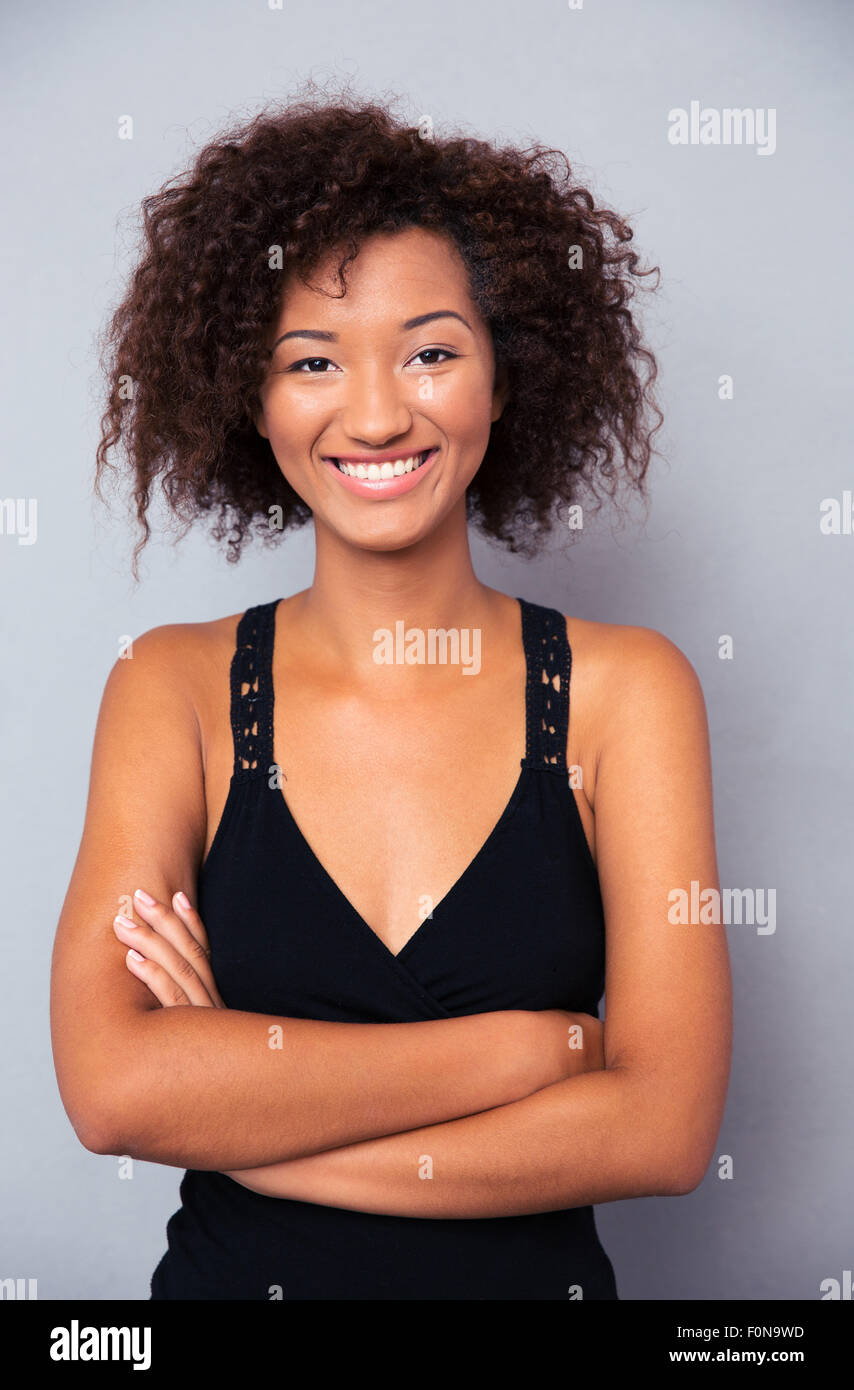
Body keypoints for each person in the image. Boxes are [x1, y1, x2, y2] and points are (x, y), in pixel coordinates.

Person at [49, 91, 732, 1300]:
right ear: (248, 401)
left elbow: (664, 1133)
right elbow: (114, 1092)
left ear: (502, 381)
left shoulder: (627, 694)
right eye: (310, 361)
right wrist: (529, 1051)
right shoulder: (173, 686)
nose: (373, 412)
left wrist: (254, 1127)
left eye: (430, 351)